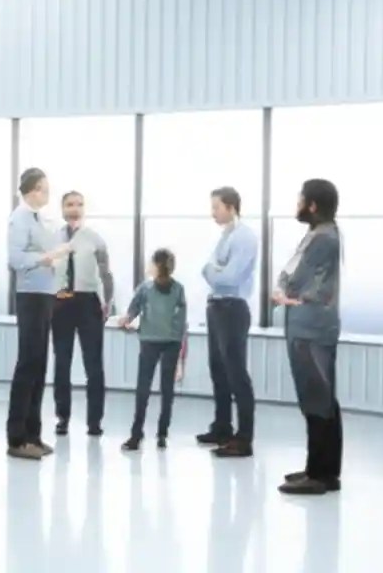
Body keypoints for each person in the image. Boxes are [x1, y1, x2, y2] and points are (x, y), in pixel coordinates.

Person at [274, 179, 343, 495]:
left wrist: (284, 287)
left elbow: (293, 277)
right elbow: (291, 275)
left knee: (316, 398)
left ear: (312, 205)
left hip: (310, 328)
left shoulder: (323, 238)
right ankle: (323, 470)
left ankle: (319, 474)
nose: (297, 204)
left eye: (301, 199)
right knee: (322, 398)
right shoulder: (321, 233)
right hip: (311, 325)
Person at [6, 167, 71, 460]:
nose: (47, 193)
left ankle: (33, 434)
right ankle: (17, 438)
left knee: (40, 365)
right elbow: (16, 259)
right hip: (30, 297)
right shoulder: (19, 218)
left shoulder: (38, 220)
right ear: (32, 190)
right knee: (27, 365)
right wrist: (48, 257)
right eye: (44, 188)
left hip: (45, 296)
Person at [50, 191, 116, 436]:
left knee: (93, 365)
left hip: (88, 302)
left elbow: (106, 275)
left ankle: (94, 421)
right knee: (62, 363)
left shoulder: (95, 239)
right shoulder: (52, 239)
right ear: (62, 208)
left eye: (79, 204)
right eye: (69, 204)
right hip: (61, 303)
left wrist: (108, 302)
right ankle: (62, 418)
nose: (74, 208)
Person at [200, 186, 259, 458]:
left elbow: (227, 277)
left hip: (232, 309)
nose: (213, 213)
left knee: (236, 374)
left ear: (231, 207)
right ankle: (222, 426)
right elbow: (210, 269)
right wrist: (213, 271)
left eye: (216, 207)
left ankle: (244, 438)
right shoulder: (226, 235)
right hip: (216, 307)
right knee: (218, 370)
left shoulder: (244, 237)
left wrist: (213, 271)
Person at [118, 249, 188, 452]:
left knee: (143, 389)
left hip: (151, 342)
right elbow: (181, 323)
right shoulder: (177, 289)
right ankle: (162, 434)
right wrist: (128, 320)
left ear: (157, 266)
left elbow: (132, 310)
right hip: (169, 343)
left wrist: (127, 321)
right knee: (167, 390)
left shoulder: (146, 288)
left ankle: (136, 435)